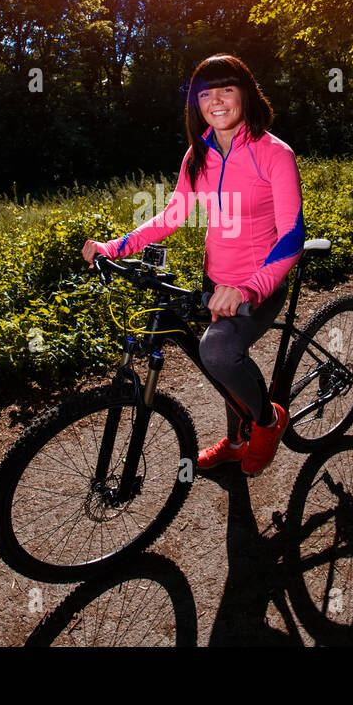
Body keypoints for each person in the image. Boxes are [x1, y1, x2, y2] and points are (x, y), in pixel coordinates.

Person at [81, 54, 305, 475]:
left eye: (227, 89)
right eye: (206, 93)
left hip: (258, 285)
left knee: (218, 351)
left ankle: (268, 422)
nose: (216, 100)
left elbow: (293, 234)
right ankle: (236, 442)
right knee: (221, 362)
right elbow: (172, 216)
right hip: (215, 278)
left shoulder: (274, 154)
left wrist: (248, 289)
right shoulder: (197, 156)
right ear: (196, 103)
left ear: (246, 94)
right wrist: (116, 247)